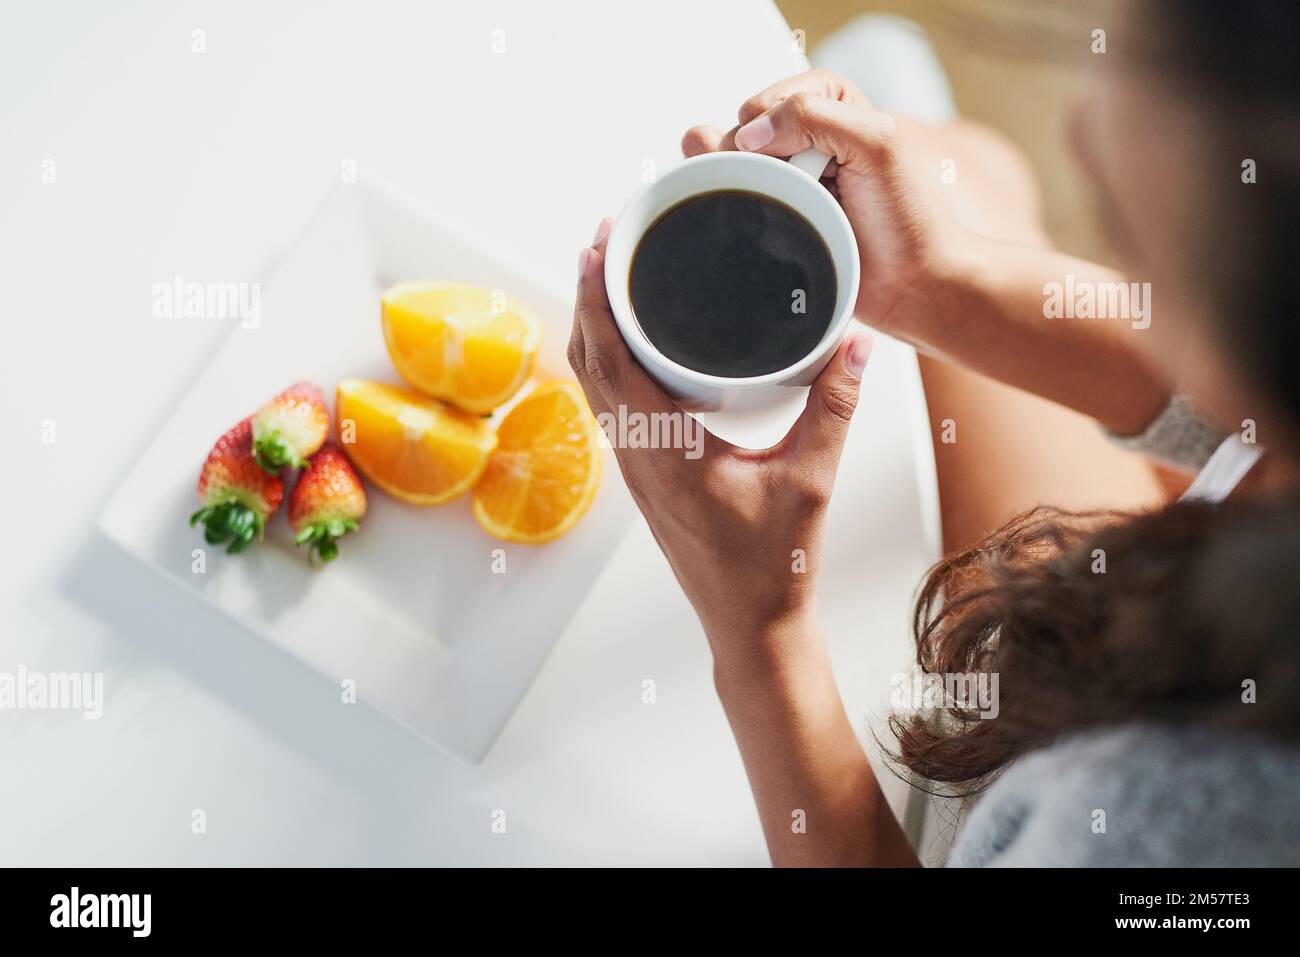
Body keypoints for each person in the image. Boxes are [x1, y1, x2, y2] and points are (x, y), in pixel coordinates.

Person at [568, 0, 1300, 865]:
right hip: (1182, 600)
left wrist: (760, 631)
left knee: (929, 118)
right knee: (961, 166)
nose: (1076, 131)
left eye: (1124, 232)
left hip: (1024, 795)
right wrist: (937, 284)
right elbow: (1231, 385)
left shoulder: (1170, 828)